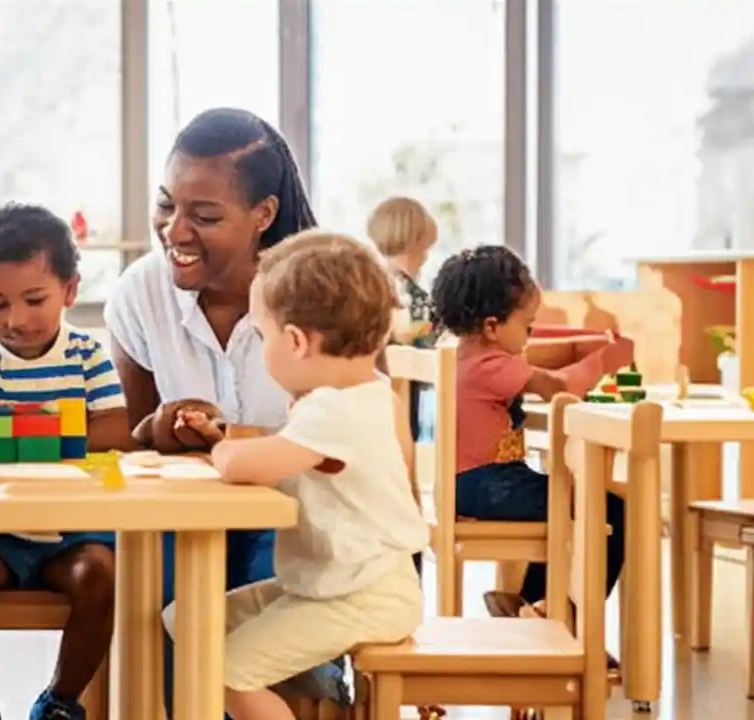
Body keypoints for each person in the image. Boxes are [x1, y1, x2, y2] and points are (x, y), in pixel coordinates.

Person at [103, 107, 352, 713]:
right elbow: (129, 446)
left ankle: (314, 699)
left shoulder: (321, 297)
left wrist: (234, 439)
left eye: (204, 216)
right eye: (167, 205)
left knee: (275, 601)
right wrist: (156, 430)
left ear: (263, 215)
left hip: (298, 513)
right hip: (180, 517)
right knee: (152, 596)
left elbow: (350, 450)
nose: (175, 231)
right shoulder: (141, 293)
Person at [166, 231, 426, 720]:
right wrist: (229, 434)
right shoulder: (368, 394)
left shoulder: (336, 410)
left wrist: (223, 449)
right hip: (335, 584)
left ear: (296, 342)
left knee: (223, 671)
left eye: (262, 337)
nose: (263, 350)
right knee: (187, 618)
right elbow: (292, 453)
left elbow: (244, 465)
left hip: (360, 597)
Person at [0, 203, 137, 720]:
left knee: (102, 574)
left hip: (74, 531)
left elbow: (117, 429)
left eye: (34, 300)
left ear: (70, 292)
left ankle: (60, 702)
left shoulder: (86, 354)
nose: (15, 320)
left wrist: (27, 433)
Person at [430, 245, 634, 624]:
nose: (530, 335)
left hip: (467, 484)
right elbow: (559, 387)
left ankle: (531, 605)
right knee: (609, 510)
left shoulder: (462, 354)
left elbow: (536, 358)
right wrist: (605, 361)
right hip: (490, 486)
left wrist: (580, 348)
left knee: (568, 498)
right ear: (492, 326)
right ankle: (561, 613)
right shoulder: (491, 366)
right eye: (527, 326)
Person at [367, 196, 439, 347]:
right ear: (414, 245)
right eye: (424, 248)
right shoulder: (395, 293)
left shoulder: (368, 285)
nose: (425, 258)